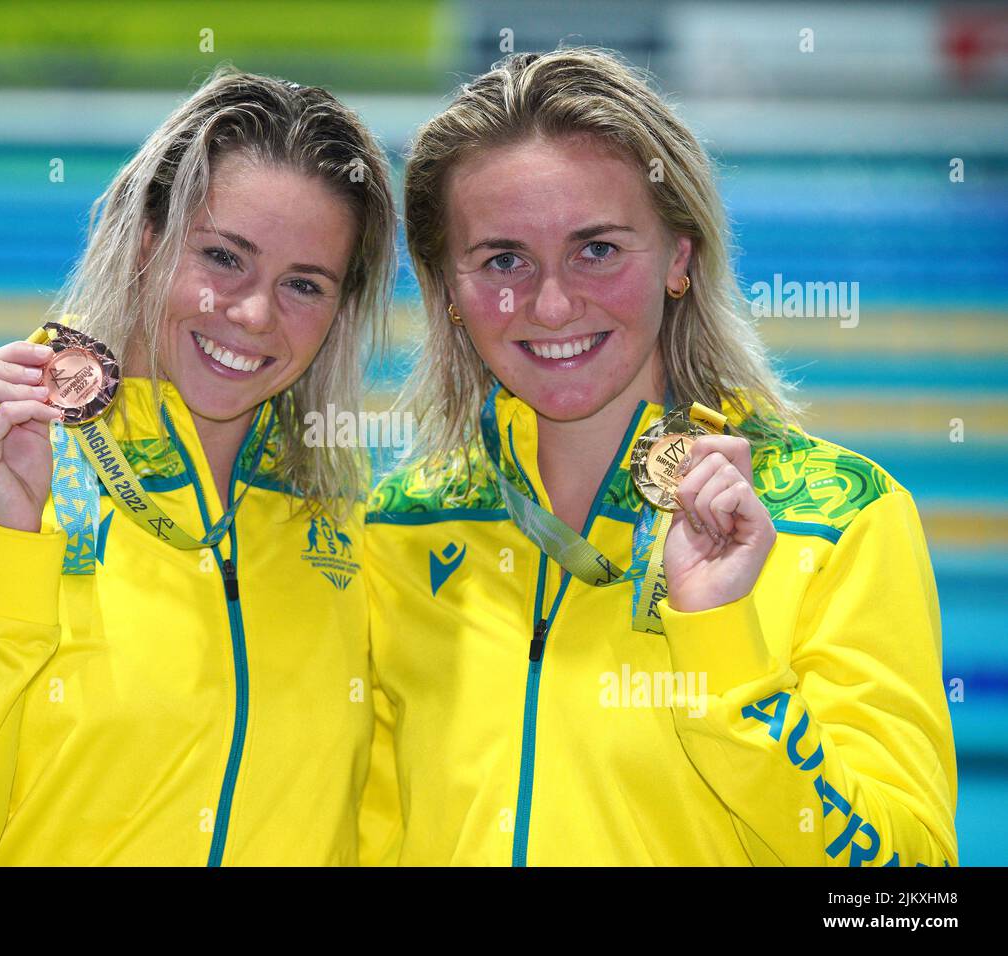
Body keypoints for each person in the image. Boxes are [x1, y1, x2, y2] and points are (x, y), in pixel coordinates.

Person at [359, 48, 958, 866]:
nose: (553, 301)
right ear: (449, 291)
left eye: (597, 248)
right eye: (503, 260)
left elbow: (907, 888)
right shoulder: (402, 527)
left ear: (680, 257)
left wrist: (720, 643)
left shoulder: (837, 516)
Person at [0, 67, 397, 865]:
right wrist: (5, 546)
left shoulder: (343, 509)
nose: (254, 313)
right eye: (224, 257)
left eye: (304, 284)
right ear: (145, 238)